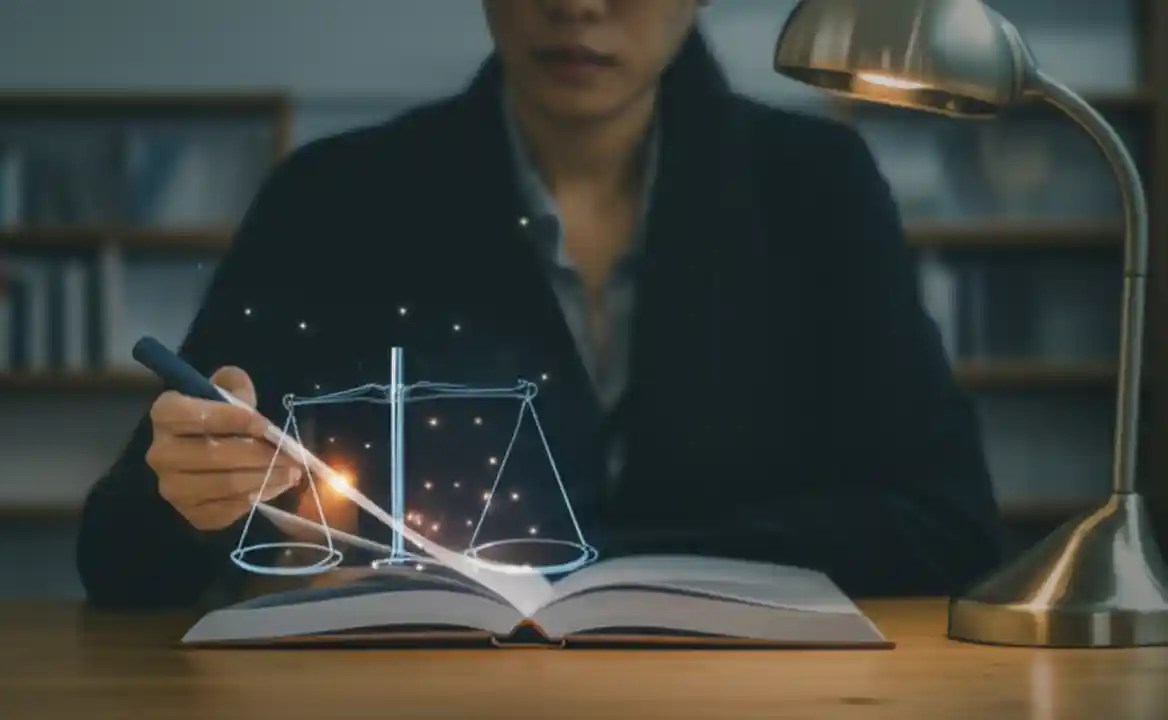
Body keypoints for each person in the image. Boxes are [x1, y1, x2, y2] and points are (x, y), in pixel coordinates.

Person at [77, 0, 1002, 608]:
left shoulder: (818, 190)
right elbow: (121, 557)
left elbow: (951, 528)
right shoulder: (335, 198)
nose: (578, 4)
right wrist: (191, 491)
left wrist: (587, 561)